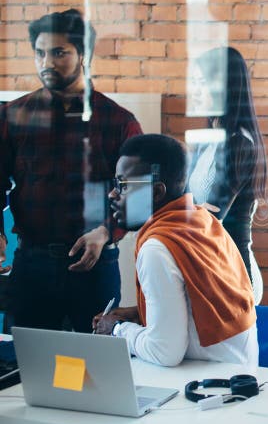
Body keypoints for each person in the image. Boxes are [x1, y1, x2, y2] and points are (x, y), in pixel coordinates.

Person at [0, 9, 142, 332]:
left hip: (93, 268)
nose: (46, 62)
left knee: (92, 370)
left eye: (59, 53)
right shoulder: (14, 115)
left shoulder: (119, 122)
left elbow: (140, 195)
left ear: (84, 54)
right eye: (40, 53)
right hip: (31, 266)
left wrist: (105, 232)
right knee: (22, 369)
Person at [93, 134, 257, 367]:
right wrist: (139, 313)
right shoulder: (201, 220)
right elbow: (195, 305)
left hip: (203, 384)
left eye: (123, 185)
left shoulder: (157, 248)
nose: (112, 194)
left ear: (157, 192)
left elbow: (165, 352)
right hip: (237, 371)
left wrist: (117, 329)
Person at [186, 46, 268, 305]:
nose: (195, 91)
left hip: (234, 272)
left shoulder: (240, 143)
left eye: (202, 83)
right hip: (208, 264)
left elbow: (211, 214)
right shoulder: (208, 139)